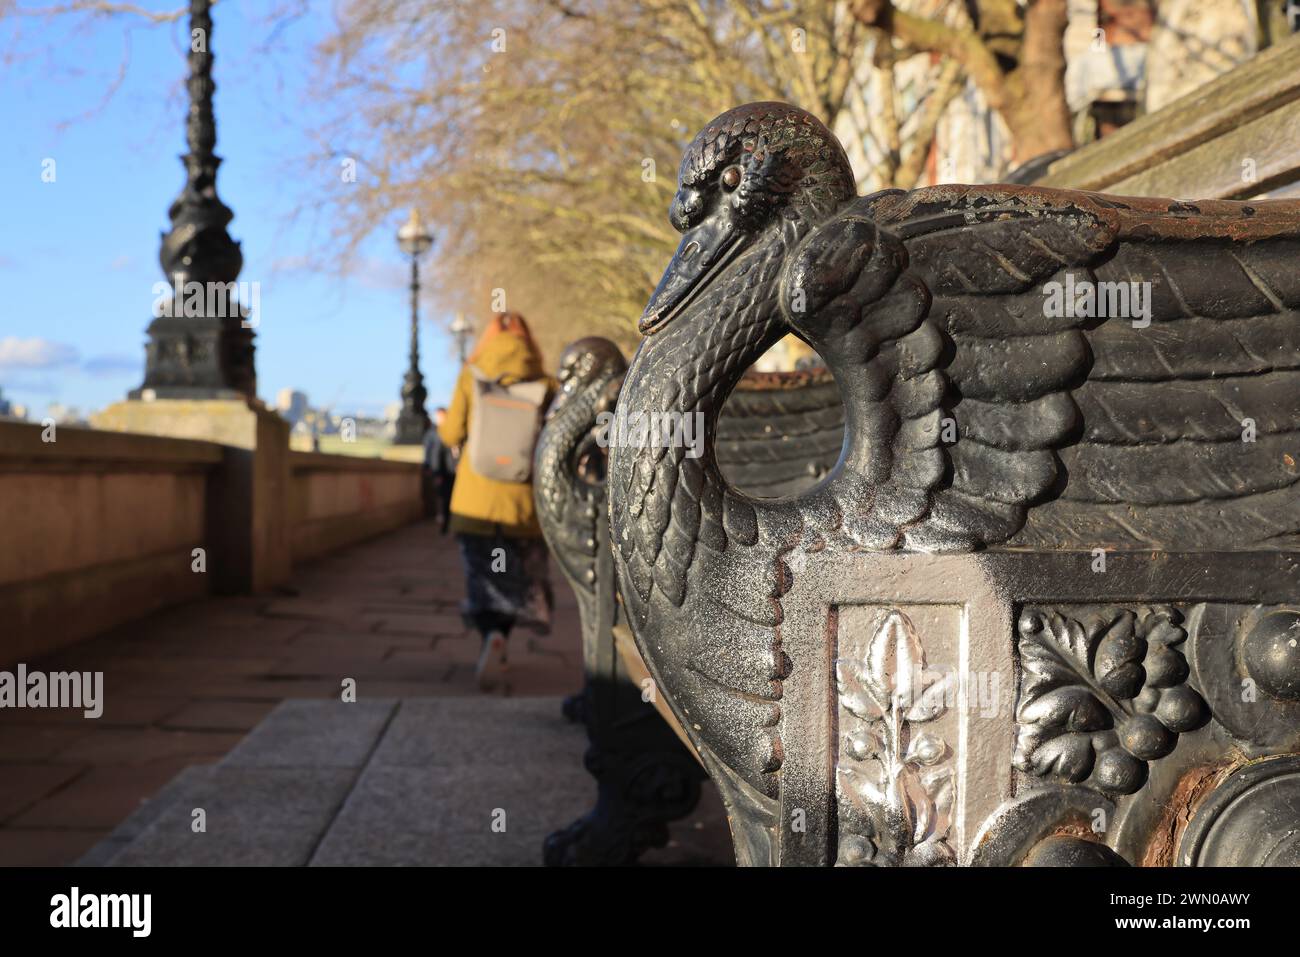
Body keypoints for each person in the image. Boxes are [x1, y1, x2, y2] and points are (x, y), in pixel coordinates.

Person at [438, 312, 557, 690]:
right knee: (511, 576)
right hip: (522, 506)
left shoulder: (471, 376)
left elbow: (449, 432)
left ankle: (490, 636)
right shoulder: (545, 382)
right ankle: (501, 637)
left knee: (483, 577)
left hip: (475, 502)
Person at [422, 406, 456, 533]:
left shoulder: (448, 431)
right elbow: (430, 453)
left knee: (447, 497)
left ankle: (446, 521)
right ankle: (444, 521)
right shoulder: (433, 432)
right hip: (440, 471)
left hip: (451, 471)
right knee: (443, 497)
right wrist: (433, 469)